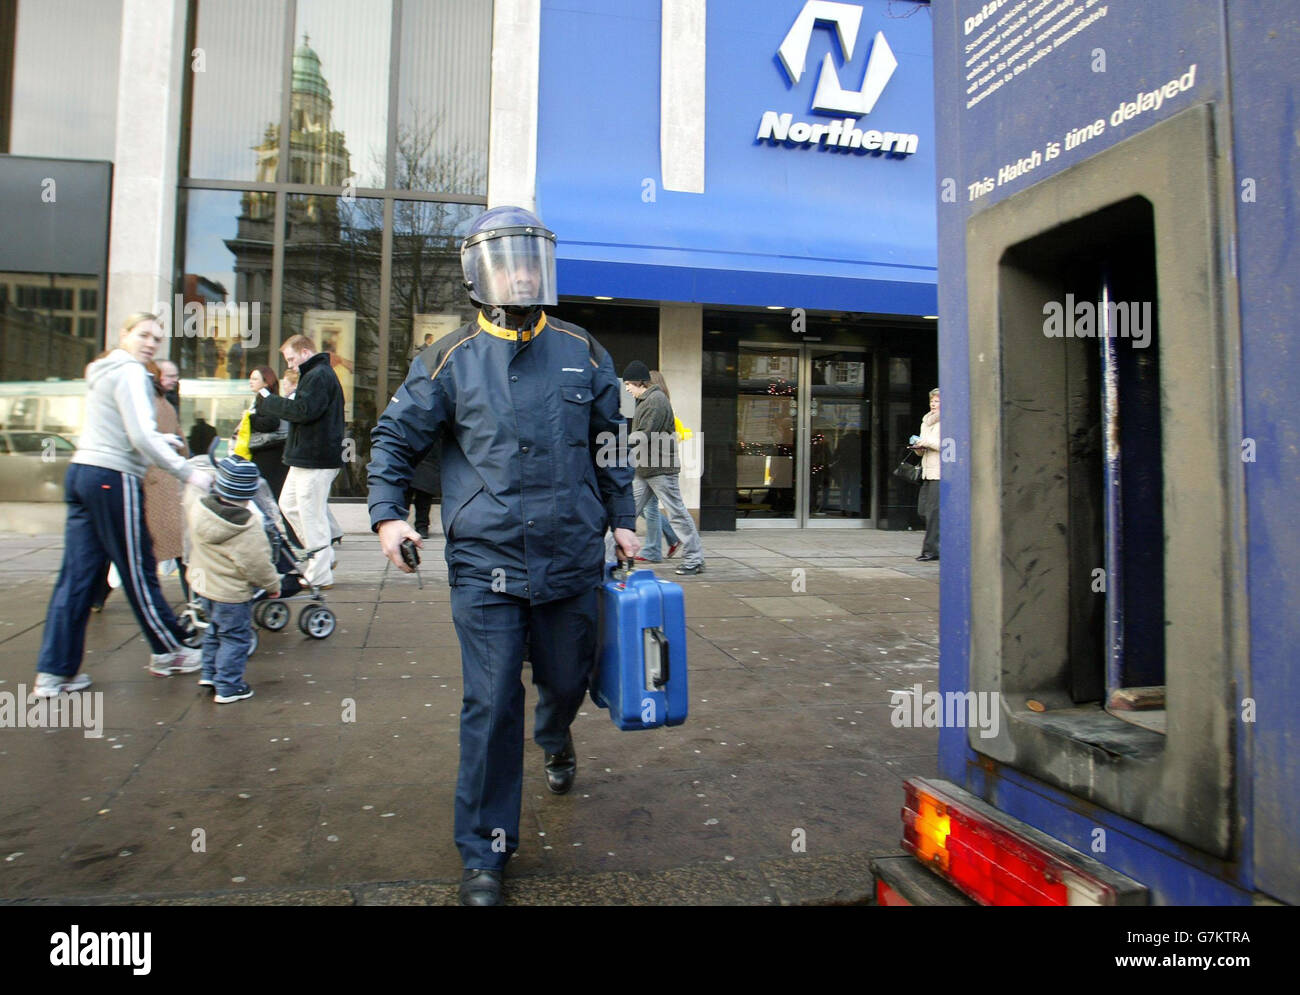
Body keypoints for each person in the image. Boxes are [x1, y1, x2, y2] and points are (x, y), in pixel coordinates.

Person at [367, 205, 638, 907]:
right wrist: (388, 516)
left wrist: (626, 520)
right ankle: (485, 851)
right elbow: (393, 440)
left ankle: (555, 734)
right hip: (485, 560)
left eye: (530, 260)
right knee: (489, 701)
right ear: (479, 275)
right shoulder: (447, 359)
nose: (522, 272)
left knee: (566, 679)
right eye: (508, 261)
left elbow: (613, 446)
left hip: (571, 557)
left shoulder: (585, 350)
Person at [33, 313, 213, 698]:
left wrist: (156, 442)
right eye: (144, 334)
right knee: (138, 567)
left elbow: (123, 428)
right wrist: (187, 472)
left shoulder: (102, 370)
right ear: (124, 333)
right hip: (113, 478)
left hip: (82, 472)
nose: (151, 343)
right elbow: (138, 434)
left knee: (77, 576)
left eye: (157, 338)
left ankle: (54, 672)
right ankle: (171, 650)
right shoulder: (131, 371)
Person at [183, 456, 281, 703]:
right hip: (231, 596)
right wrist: (272, 585)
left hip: (203, 587)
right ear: (250, 493)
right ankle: (228, 686)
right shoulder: (246, 527)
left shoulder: (199, 508)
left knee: (214, 632)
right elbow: (257, 564)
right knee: (236, 638)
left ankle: (209, 673)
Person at [253, 334, 345, 588]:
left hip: (314, 457)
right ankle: (323, 557)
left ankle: (319, 573)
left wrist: (269, 401)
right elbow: (305, 411)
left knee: (309, 514)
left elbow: (303, 412)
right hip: (307, 456)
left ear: (305, 352)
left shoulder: (318, 375)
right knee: (290, 505)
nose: (290, 365)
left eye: (291, 359)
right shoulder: (317, 374)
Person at [621, 359, 705, 575]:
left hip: (660, 469)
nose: (627, 389)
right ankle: (610, 556)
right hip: (645, 468)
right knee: (626, 512)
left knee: (676, 513)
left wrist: (619, 442)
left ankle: (695, 560)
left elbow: (645, 434)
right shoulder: (646, 400)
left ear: (639, 382)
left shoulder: (655, 401)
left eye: (629, 384)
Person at [141, 359, 189, 575]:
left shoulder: (163, 402)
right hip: (155, 479)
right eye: (169, 376)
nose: (174, 380)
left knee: (172, 542)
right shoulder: (152, 402)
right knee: (172, 541)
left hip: (162, 479)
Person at [636, 371, 681, 562]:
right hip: (650, 463)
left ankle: (653, 549)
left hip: (655, 465)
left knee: (650, 508)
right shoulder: (659, 403)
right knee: (647, 508)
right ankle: (671, 538)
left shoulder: (656, 404)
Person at [246, 366, 289, 499]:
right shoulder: (262, 398)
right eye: (250, 378)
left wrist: (250, 418)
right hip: (268, 453)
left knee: (267, 494)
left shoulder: (266, 398)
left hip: (268, 454)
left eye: (255, 378)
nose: (250, 381)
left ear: (266, 382)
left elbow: (271, 422)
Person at [911, 387, 941, 561]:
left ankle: (931, 551)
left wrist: (926, 442)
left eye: (937, 401)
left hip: (939, 472)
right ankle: (935, 547)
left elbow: (945, 444)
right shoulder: (926, 422)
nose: (933, 404)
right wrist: (918, 448)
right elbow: (924, 450)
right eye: (932, 401)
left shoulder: (947, 421)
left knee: (933, 513)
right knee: (923, 511)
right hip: (927, 472)